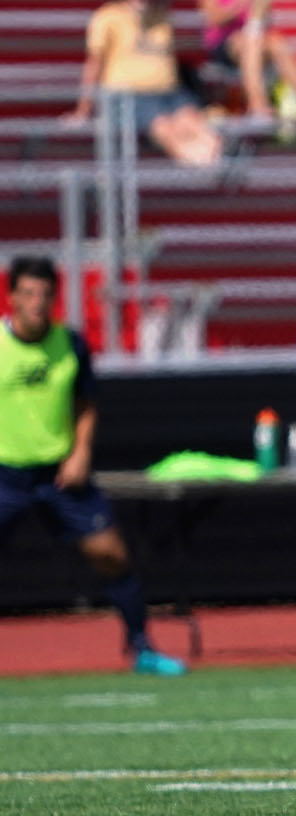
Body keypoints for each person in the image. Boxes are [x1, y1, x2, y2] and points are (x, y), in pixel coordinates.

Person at [0, 257, 187, 677]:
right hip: (6, 475)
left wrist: (81, 451)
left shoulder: (70, 344)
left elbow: (86, 404)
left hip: (59, 475)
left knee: (112, 553)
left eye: (45, 294)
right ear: (11, 297)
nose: (37, 303)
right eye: (28, 294)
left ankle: (142, 648)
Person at [64, 0, 223, 168]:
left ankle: (216, 162)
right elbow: (95, 64)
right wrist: (83, 110)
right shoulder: (109, 17)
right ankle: (206, 167)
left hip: (169, 93)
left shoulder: (161, 17)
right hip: (129, 95)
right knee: (165, 129)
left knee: (193, 122)